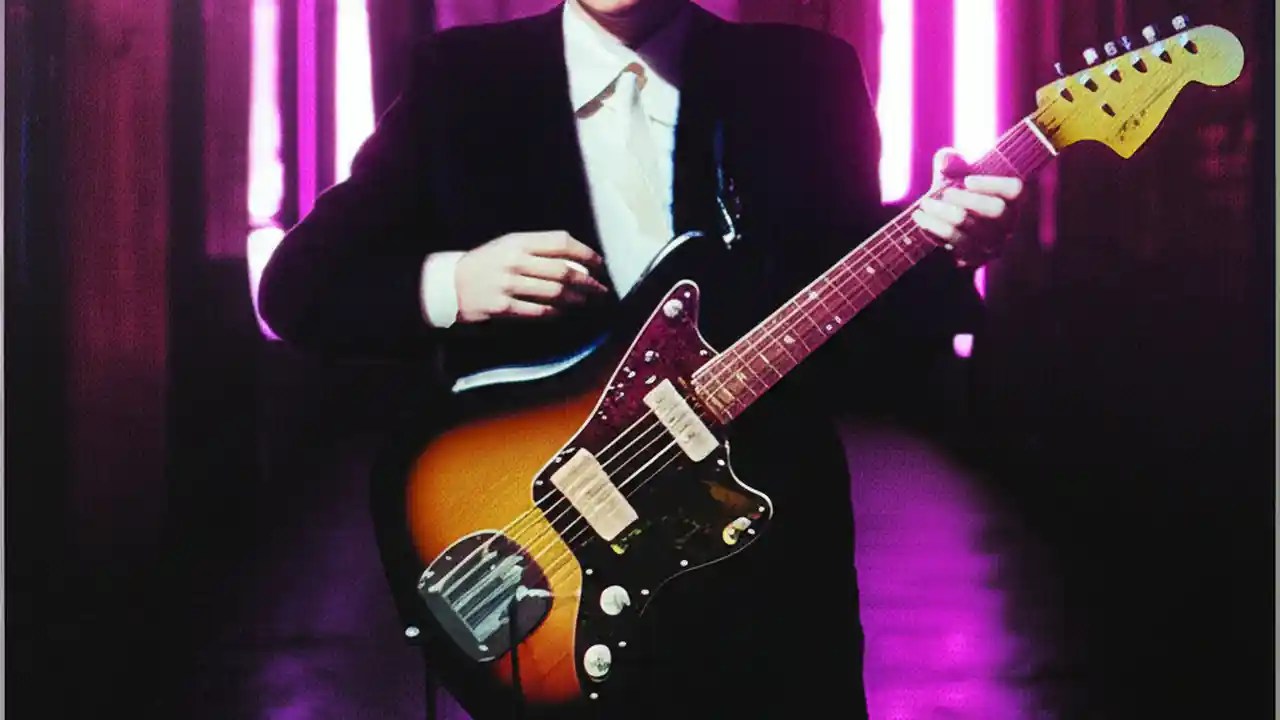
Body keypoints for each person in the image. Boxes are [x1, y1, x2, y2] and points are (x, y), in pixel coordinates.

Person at [258, 0, 1023, 717]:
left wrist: (943, 250)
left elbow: (864, 348)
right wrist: (455, 283)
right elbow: (298, 289)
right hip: (549, 568)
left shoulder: (802, 76)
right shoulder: (464, 80)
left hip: (766, 580)